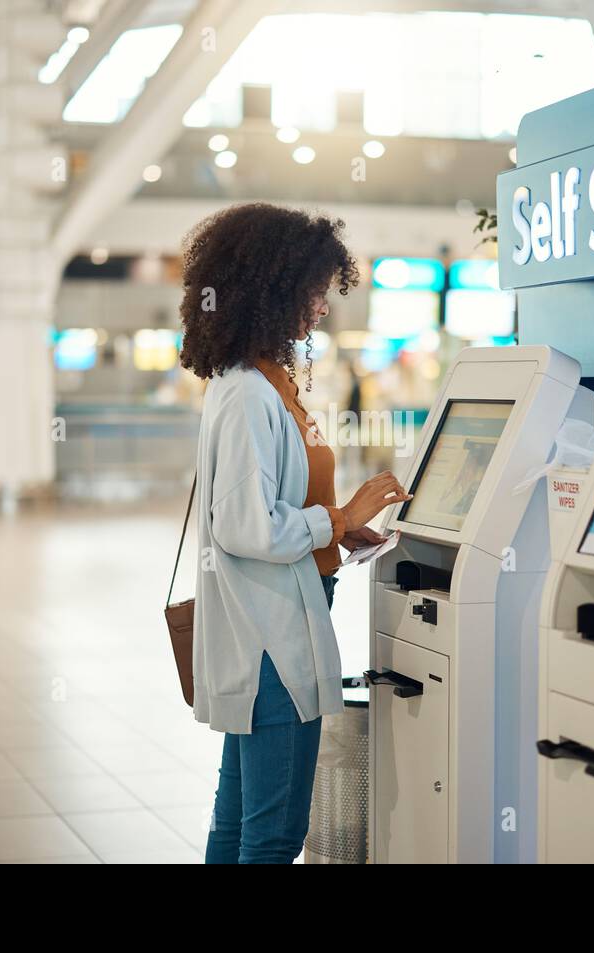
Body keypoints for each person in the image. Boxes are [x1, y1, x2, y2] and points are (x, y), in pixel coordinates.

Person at [179, 203, 411, 864]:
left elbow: (268, 506)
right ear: (270, 291)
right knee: (274, 834)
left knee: (237, 821)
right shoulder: (251, 393)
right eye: (310, 291)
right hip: (270, 641)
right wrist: (340, 516)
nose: (319, 307)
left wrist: (338, 534)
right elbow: (249, 525)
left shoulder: (257, 383)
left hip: (264, 631)